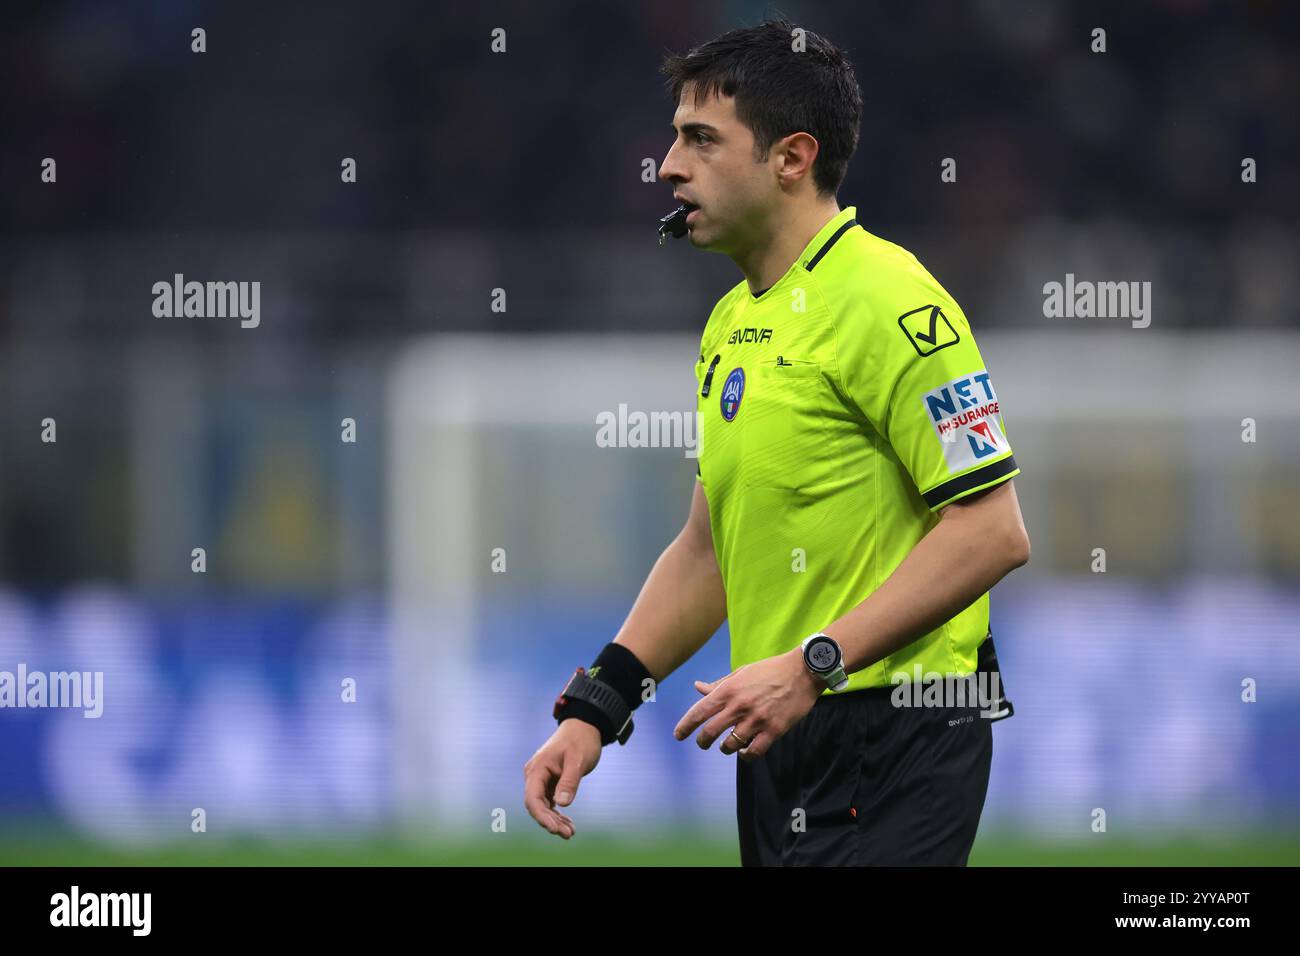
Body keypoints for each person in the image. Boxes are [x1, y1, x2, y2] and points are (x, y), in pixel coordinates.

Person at [524, 18, 1030, 866]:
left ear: (791, 158)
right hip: (778, 733)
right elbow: (708, 550)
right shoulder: (732, 323)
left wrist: (814, 664)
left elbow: (992, 531)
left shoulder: (891, 300)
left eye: (700, 140)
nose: (669, 165)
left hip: (900, 727)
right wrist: (598, 707)